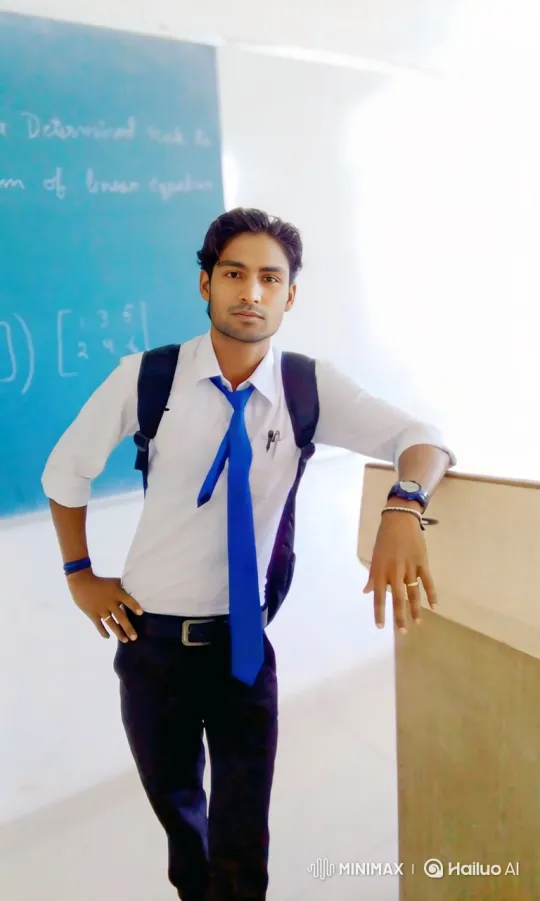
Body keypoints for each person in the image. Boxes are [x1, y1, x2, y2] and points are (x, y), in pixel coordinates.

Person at [42, 207, 455, 901]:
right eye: (234, 273)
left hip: (242, 648)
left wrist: (403, 505)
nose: (251, 292)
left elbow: (422, 436)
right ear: (206, 283)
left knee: (243, 834)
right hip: (151, 644)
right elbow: (65, 470)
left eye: (270, 278)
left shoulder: (305, 387)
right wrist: (80, 574)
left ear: (290, 294)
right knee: (181, 818)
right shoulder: (150, 377)